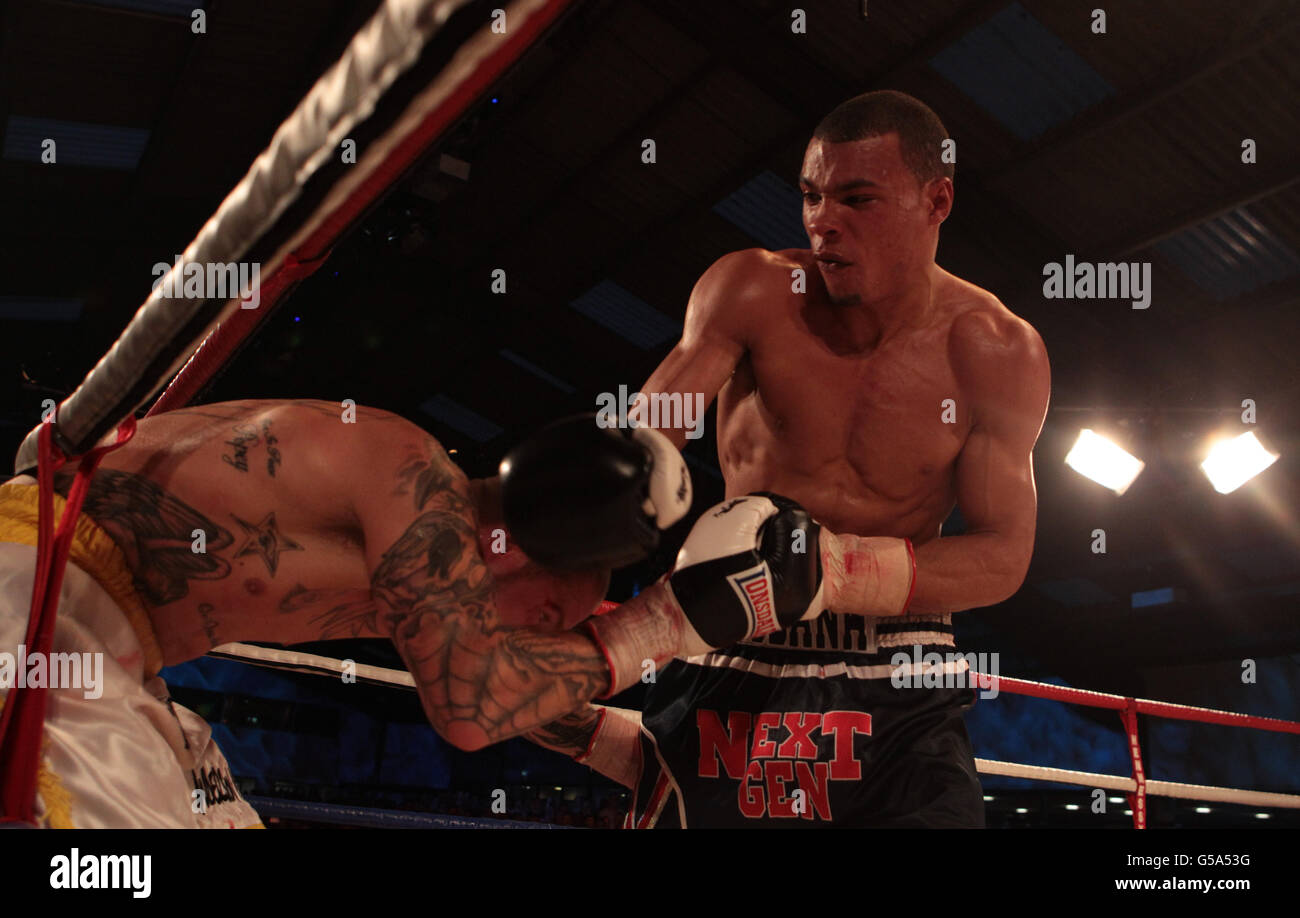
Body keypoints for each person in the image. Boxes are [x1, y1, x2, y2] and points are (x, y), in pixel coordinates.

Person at [528, 90, 1051, 828]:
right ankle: (649, 754)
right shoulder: (754, 290)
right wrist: (549, 567)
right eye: (811, 197)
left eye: (857, 199)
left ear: (937, 201)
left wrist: (837, 570)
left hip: (900, 662)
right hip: (734, 641)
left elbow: (1004, 555)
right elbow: (639, 454)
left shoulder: (995, 348)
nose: (822, 222)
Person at [0, 398, 819, 827]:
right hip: (41, 587)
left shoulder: (422, 573)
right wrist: (665, 624)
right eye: (545, 617)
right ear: (509, 551)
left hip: (115, 644)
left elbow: (502, 698)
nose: (530, 642)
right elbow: (473, 709)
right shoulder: (409, 476)